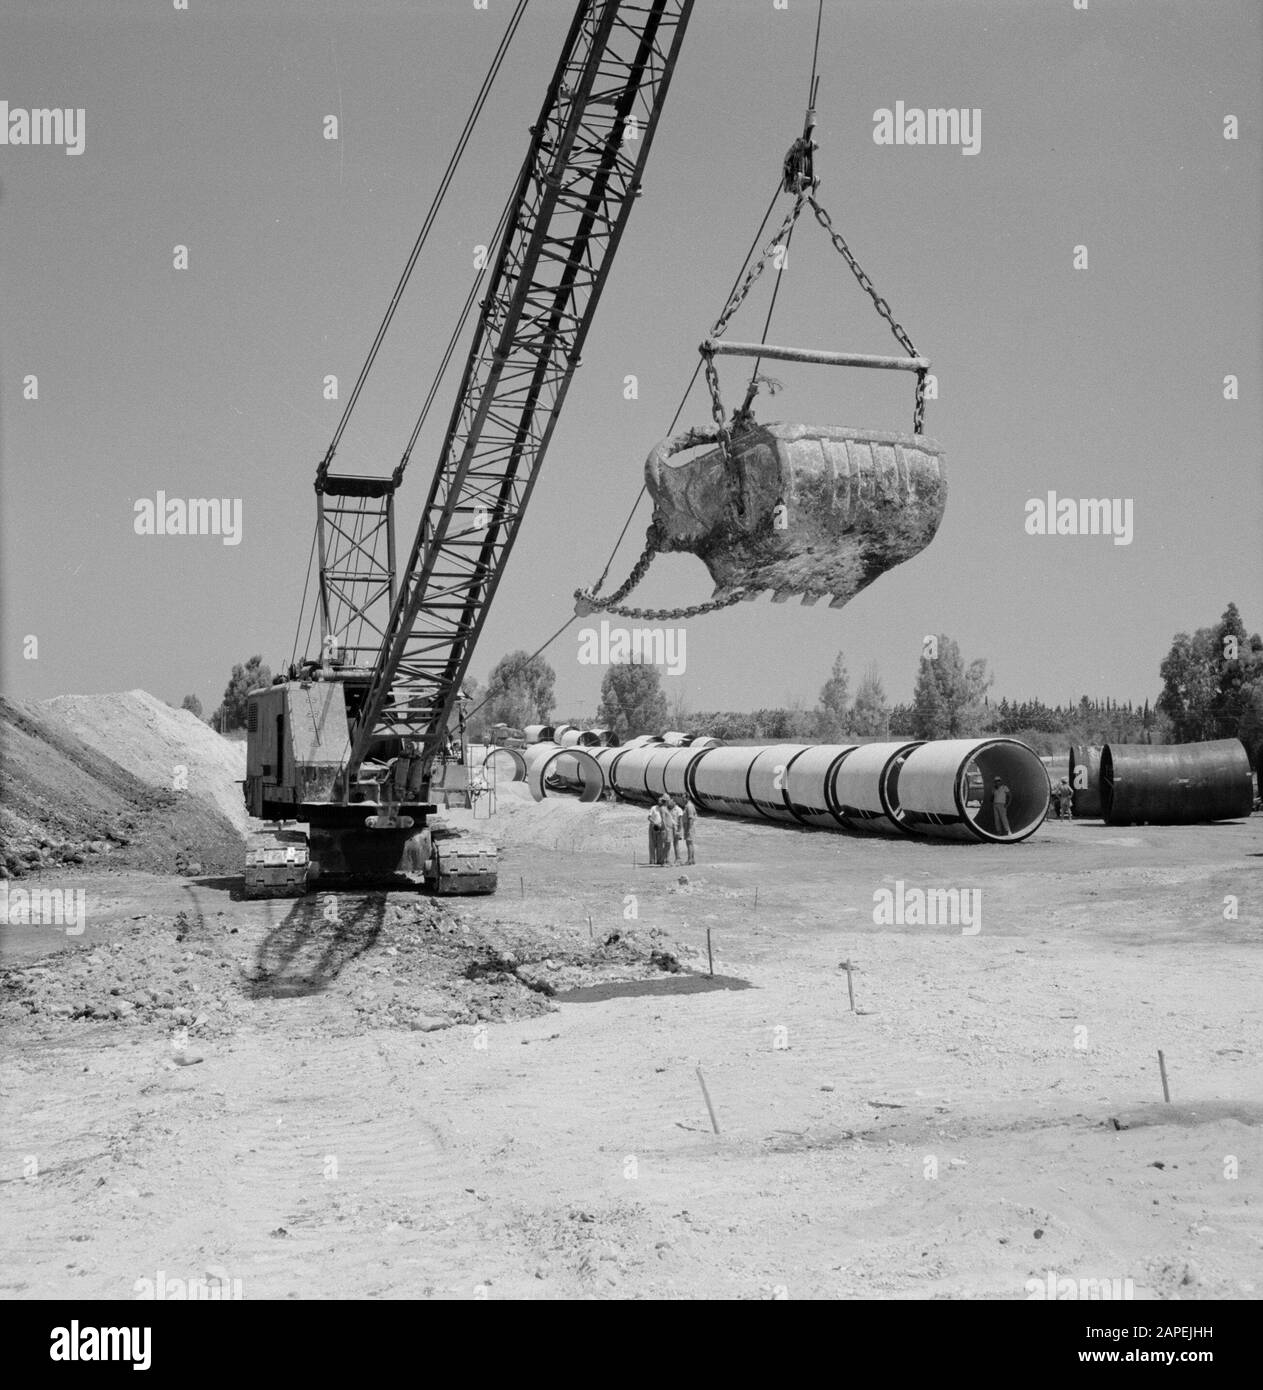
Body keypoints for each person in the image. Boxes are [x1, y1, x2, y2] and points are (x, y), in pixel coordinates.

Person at [664, 794, 684, 865]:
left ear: (674, 802)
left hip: (676, 829)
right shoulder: (667, 808)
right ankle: (666, 859)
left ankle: (678, 859)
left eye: (671, 802)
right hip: (669, 829)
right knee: (667, 844)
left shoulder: (678, 810)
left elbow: (680, 821)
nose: (669, 803)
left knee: (676, 844)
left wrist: (679, 831)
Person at [679, 795, 696, 866]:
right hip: (688, 827)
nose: (682, 799)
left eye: (683, 798)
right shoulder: (687, 806)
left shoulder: (689, 806)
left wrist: (688, 828)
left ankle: (690, 859)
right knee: (690, 843)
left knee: (689, 843)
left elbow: (690, 818)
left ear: (687, 798)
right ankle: (692, 859)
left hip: (689, 827)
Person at [647, 800, 664, 865]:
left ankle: (659, 860)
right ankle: (652, 860)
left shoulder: (664, 809)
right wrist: (655, 823)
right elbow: (649, 817)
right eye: (659, 800)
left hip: (660, 828)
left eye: (661, 801)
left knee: (660, 844)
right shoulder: (653, 808)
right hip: (653, 827)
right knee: (652, 844)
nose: (660, 802)